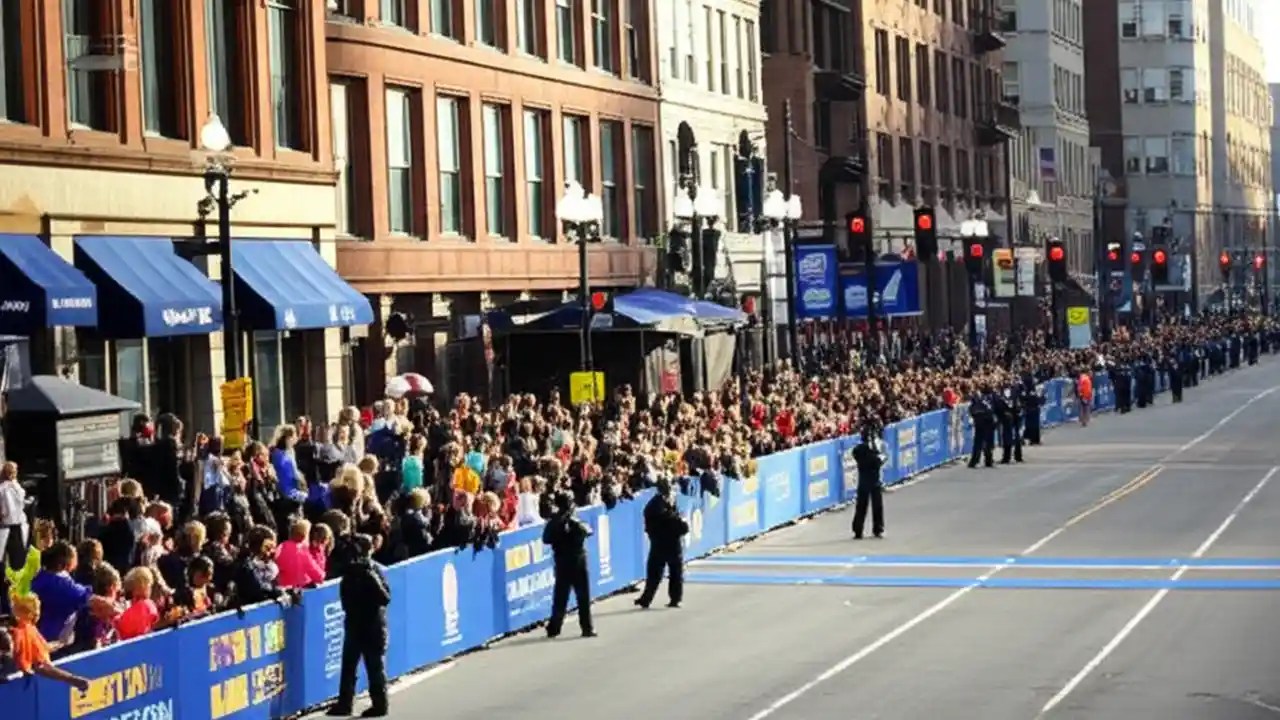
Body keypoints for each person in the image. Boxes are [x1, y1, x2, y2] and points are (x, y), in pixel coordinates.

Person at [328, 534, 390, 719]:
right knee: (348, 666)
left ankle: (380, 704)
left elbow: (385, 598)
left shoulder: (374, 570)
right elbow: (345, 600)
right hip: (354, 624)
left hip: (373, 625)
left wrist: (369, 577)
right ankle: (345, 703)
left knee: (374, 666)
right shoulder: (348, 572)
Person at [541, 492, 595, 639]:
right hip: (570, 561)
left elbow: (589, 531)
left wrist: (572, 523)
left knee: (569, 597)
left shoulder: (571, 520)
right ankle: (556, 628)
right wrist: (563, 524)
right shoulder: (558, 521)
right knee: (566, 597)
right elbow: (546, 538)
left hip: (569, 562)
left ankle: (584, 628)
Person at [635, 477, 688, 609]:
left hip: (671, 541)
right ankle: (646, 599)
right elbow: (656, 522)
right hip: (661, 541)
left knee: (675, 571)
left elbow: (676, 518)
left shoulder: (668, 501)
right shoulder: (655, 505)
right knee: (655, 572)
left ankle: (675, 598)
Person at [850, 422, 887, 539]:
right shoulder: (871, 452)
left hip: (863, 482)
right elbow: (879, 461)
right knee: (876, 506)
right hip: (873, 481)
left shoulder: (858, 450)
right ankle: (878, 528)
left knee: (861, 506)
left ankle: (858, 529)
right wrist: (876, 451)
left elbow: (855, 453)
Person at [967, 390, 996, 469]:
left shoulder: (991, 396)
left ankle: (988, 460)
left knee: (987, 442)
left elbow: (994, 408)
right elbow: (971, 409)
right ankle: (975, 460)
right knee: (979, 442)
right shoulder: (976, 398)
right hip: (980, 421)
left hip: (988, 421)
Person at [998, 385, 1024, 465]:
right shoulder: (1014, 391)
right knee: (1013, 436)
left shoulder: (1006, 393)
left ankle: (1010, 457)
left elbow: (1019, 403)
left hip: (1012, 416)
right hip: (1012, 416)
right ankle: (1014, 456)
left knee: (1011, 437)